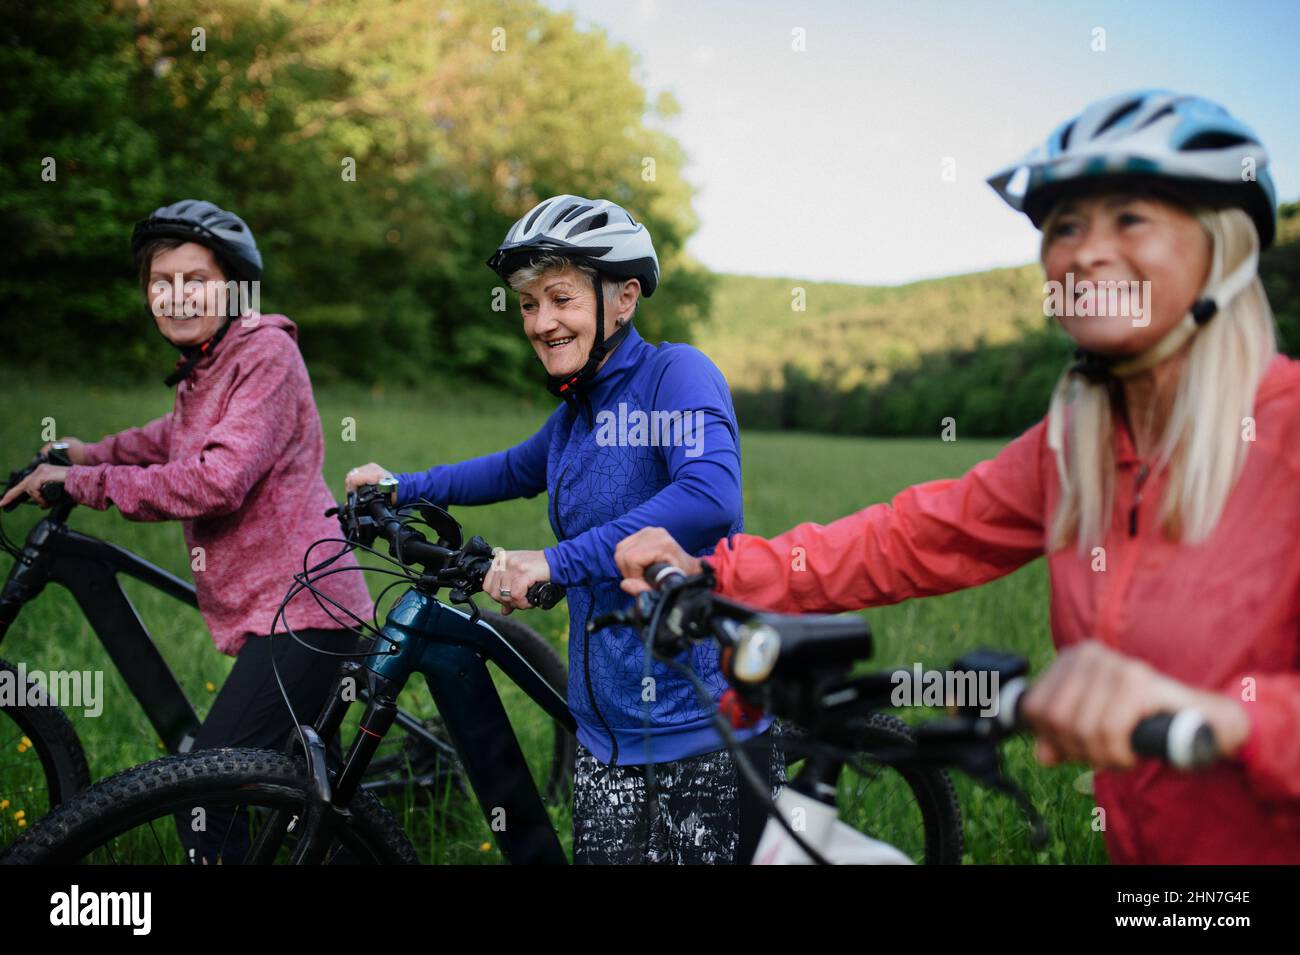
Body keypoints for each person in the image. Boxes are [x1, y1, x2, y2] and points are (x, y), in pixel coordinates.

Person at [614, 91, 1300, 864]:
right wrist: (717, 570)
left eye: (1130, 218)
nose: (1083, 251)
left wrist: (1231, 717)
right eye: (1064, 226)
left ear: (1225, 249)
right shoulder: (1078, 444)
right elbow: (919, 535)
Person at [345, 195, 782, 863]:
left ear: (625, 297)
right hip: (604, 735)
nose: (542, 322)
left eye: (561, 299)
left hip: (699, 730)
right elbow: (512, 469)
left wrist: (556, 561)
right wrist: (401, 486)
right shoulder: (579, 409)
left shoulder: (675, 375)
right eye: (528, 304)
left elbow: (708, 494)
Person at [1, 199, 373, 861]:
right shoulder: (207, 366)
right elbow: (168, 440)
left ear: (232, 284)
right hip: (278, 611)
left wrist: (80, 485)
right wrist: (87, 453)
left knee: (206, 797)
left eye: (194, 279)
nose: (175, 296)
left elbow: (216, 477)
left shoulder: (266, 355)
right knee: (310, 815)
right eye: (160, 283)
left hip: (309, 610)